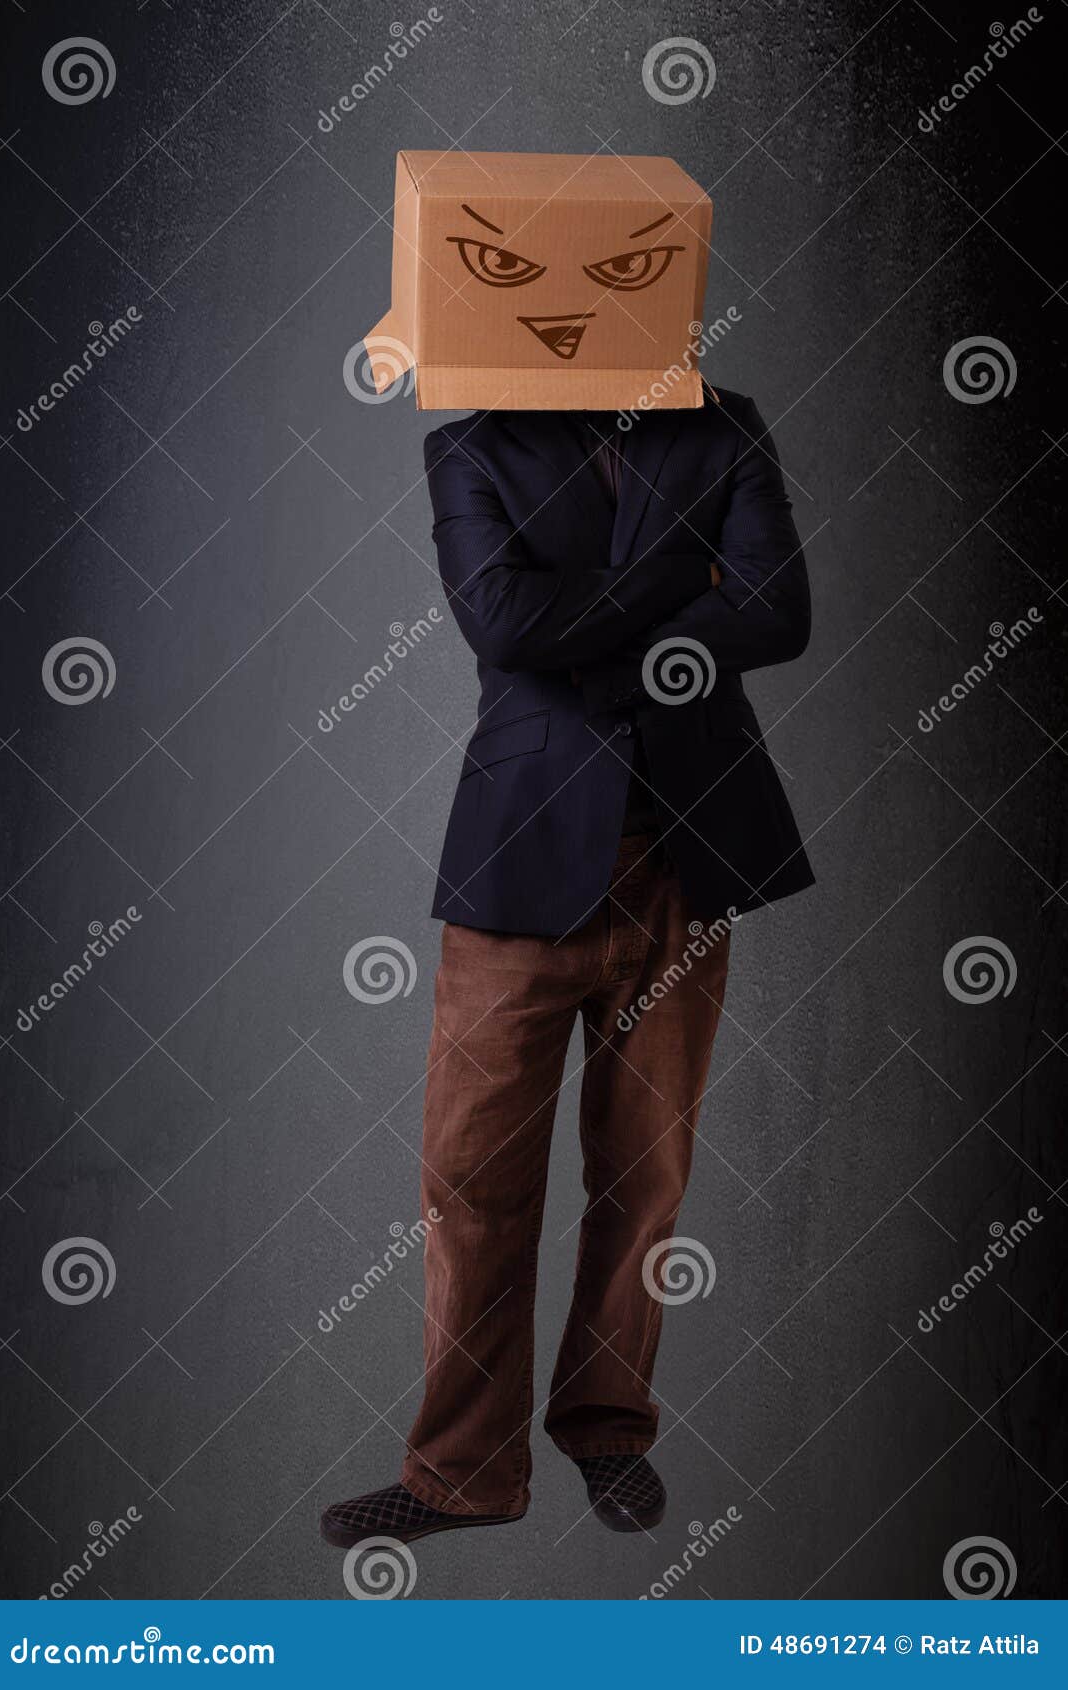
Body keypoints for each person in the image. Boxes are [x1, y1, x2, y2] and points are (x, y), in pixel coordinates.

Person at [322, 387, 813, 1547]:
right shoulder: (469, 445)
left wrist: (589, 627)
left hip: (686, 857)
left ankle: (606, 1426)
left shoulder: (726, 423)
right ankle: (462, 1473)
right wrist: (683, 585)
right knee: (473, 1180)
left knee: (646, 1173)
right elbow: (502, 625)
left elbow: (779, 612)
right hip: (522, 861)